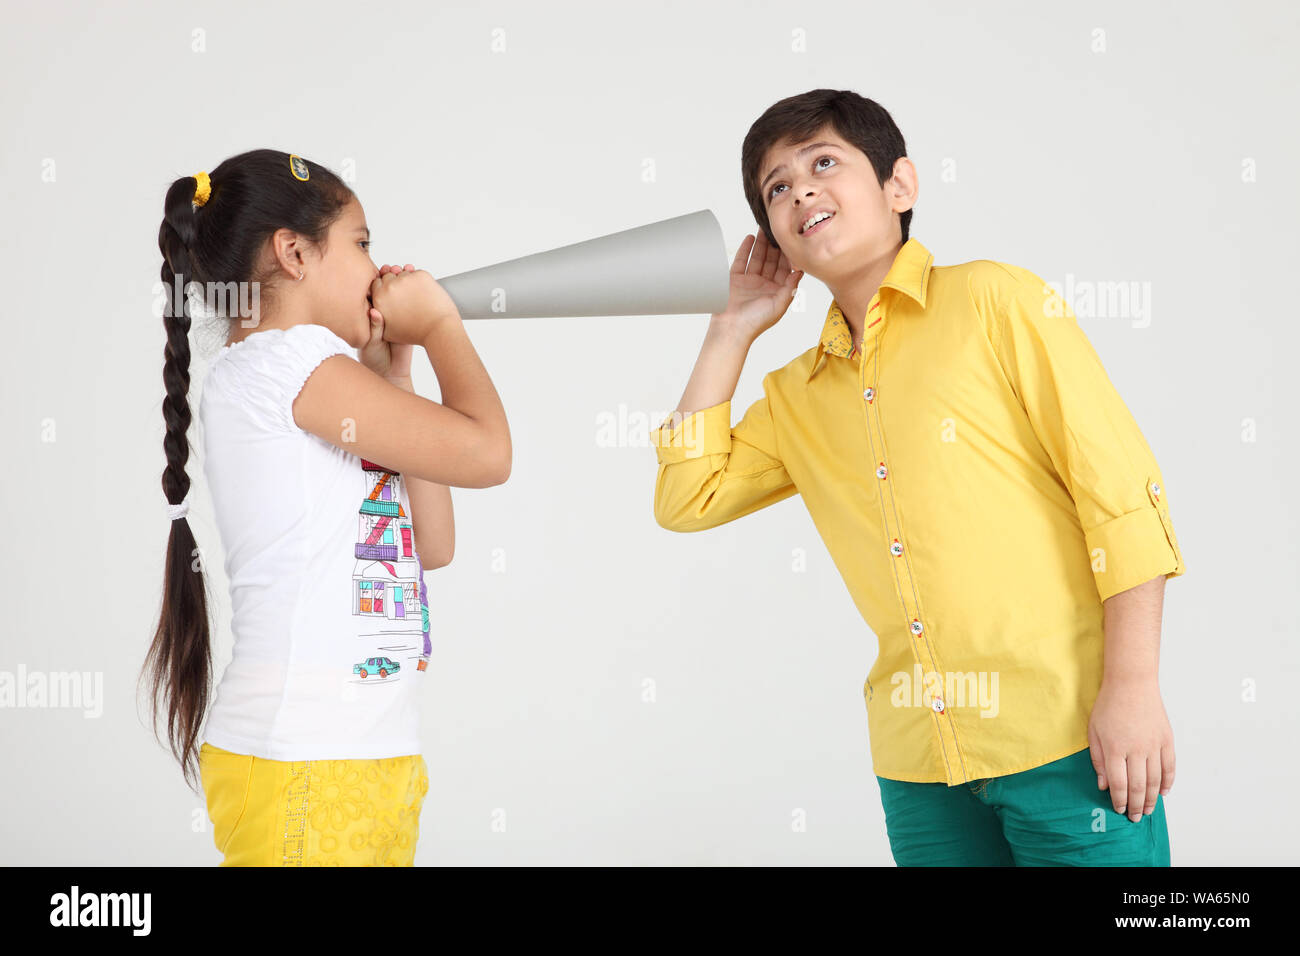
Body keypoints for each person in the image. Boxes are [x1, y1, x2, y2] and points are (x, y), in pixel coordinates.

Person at [649, 90, 1186, 866]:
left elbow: (1123, 496)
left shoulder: (994, 300)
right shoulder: (795, 393)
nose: (800, 190)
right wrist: (730, 329)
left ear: (899, 186)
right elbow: (684, 499)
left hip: (1068, 739)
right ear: (774, 235)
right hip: (919, 765)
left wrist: (1133, 688)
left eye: (823, 163)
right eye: (776, 187)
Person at [140, 149, 511, 865]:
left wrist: (397, 376)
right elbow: (489, 453)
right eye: (362, 242)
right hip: (308, 760)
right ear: (294, 252)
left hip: (359, 755)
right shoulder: (287, 364)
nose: (379, 266)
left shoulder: (316, 377)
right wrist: (440, 327)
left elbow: (432, 545)